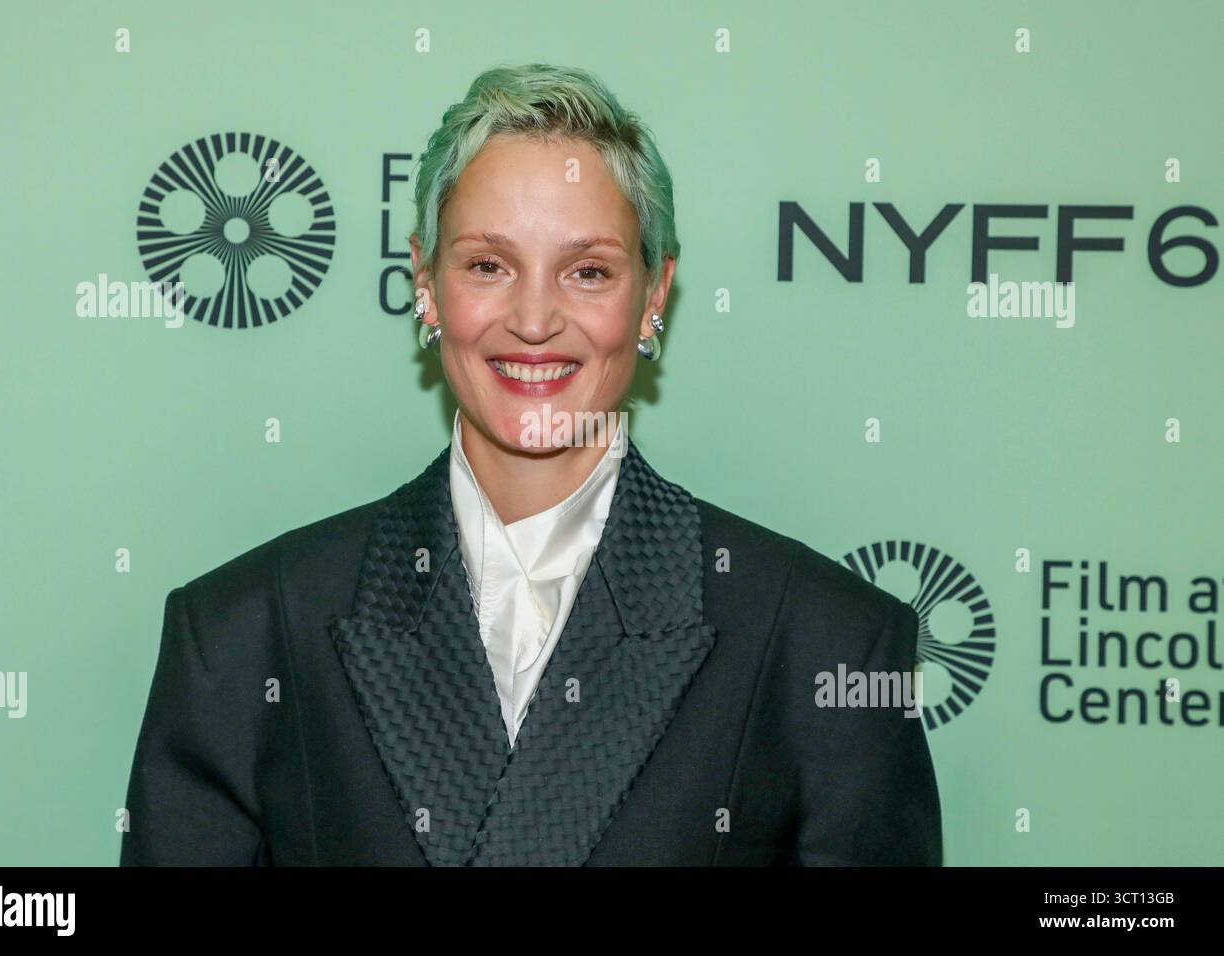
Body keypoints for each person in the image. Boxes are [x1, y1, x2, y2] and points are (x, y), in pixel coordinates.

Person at [120, 62, 942, 866]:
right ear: (426, 282)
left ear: (654, 294)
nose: (535, 319)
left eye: (588, 271)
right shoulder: (242, 635)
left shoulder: (827, 643)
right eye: (488, 265)